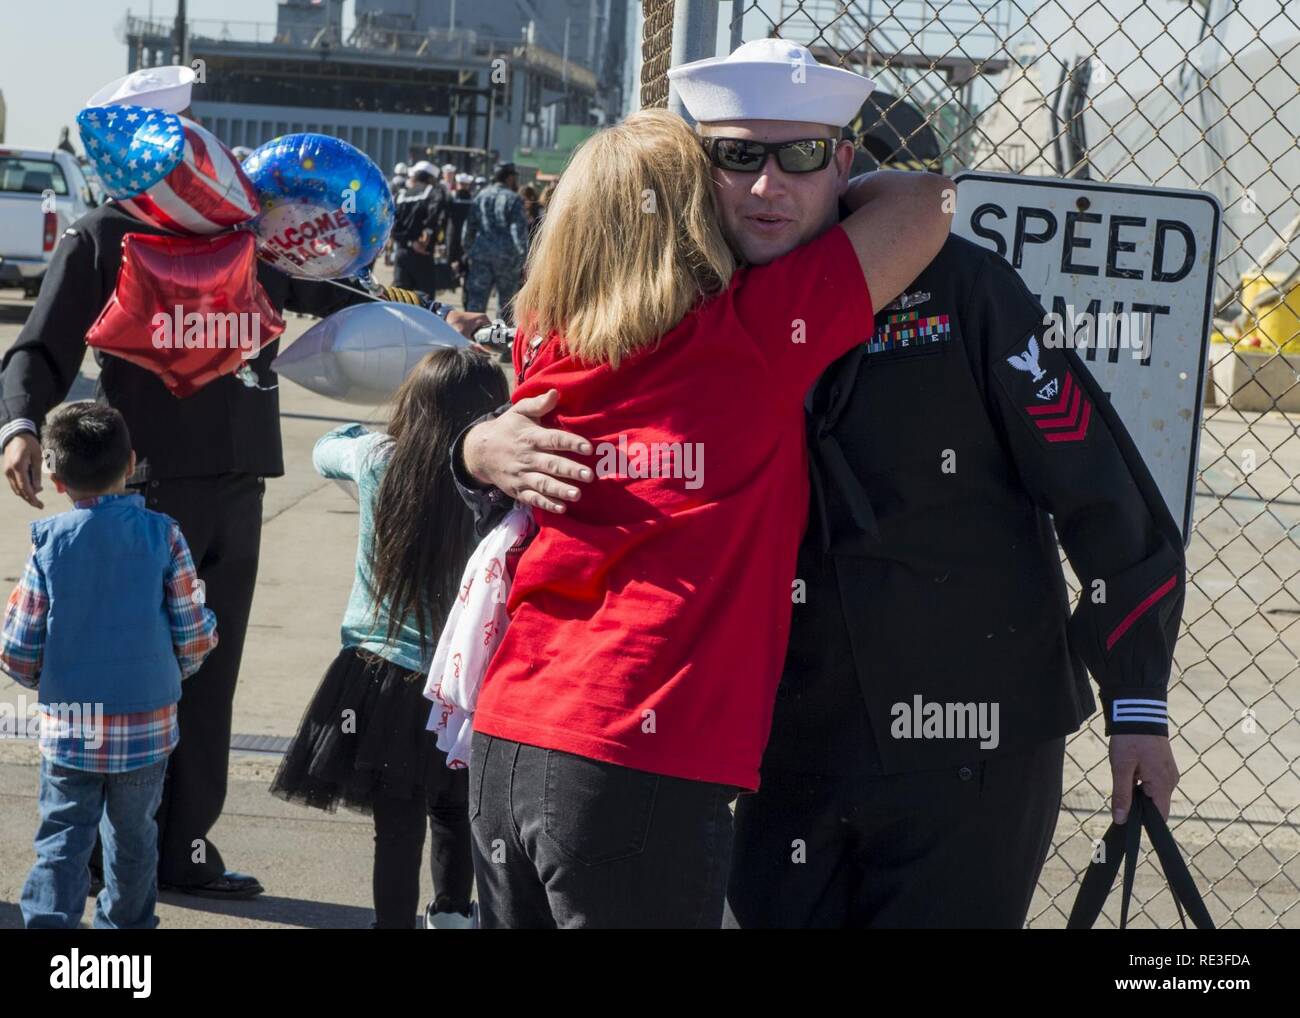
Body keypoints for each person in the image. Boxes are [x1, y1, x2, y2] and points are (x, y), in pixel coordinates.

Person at [455, 38, 1187, 929]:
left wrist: (1137, 704)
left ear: (844, 160)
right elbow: (558, 454)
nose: (771, 186)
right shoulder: (663, 301)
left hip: (969, 747)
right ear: (697, 170)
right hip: (776, 755)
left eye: (801, 155)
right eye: (738, 155)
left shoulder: (964, 290)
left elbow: (1101, 490)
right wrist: (476, 448)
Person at [455, 103, 950, 929]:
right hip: (637, 753)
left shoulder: (544, 344)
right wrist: (824, 170)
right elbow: (929, 203)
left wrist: (472, 445)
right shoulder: (750, 337)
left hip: (509, 739)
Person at [0, 66, 489, 900]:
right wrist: (18, 426)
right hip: (141, 489)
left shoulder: (247, 234)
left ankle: (184, 842)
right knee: (136, 671)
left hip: (238, 488)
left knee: (212, 675)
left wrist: (439, 327)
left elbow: (337, 291)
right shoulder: (103, 237)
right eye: (179, 132)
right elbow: (39, 347)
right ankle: (99, 850)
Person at [271, 349, 508, 929]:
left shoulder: (379, 459)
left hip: (380, 679)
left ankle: (392, 923)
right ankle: (452, 914)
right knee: (454, 809)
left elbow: (326, 449)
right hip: (460, 680)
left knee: (395, 822)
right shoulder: (494, 485)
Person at [1, 403, 217, 928]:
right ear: (132, 463)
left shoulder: (49, 543)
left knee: (61, 839)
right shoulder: (164, 535)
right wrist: (174, 673)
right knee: (135, 840)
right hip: (147, 724)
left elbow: (17, 645)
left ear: (54, 477)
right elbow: (192, 631)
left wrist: (46, 680)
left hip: (71, 725)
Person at [462, 162, 530, 323]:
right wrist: (524, 259)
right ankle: (502, 343)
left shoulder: (481, 196)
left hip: (481, 256)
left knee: (476, 304)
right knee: (505, 306)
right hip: (507, 260)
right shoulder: (513, 199)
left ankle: (472, 340)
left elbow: (468, 228)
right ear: (509, 177)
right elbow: (519, 233)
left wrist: (469, 251)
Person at [391, 162, 448, 294]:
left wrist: (408, 242)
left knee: (401, 300)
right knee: (425, 303)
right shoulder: (433, 193)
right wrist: (427, 232)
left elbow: (392, 225)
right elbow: (436, 213)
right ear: (431, 178)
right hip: (423, 254)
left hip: (401, 254)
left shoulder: (401, 195)